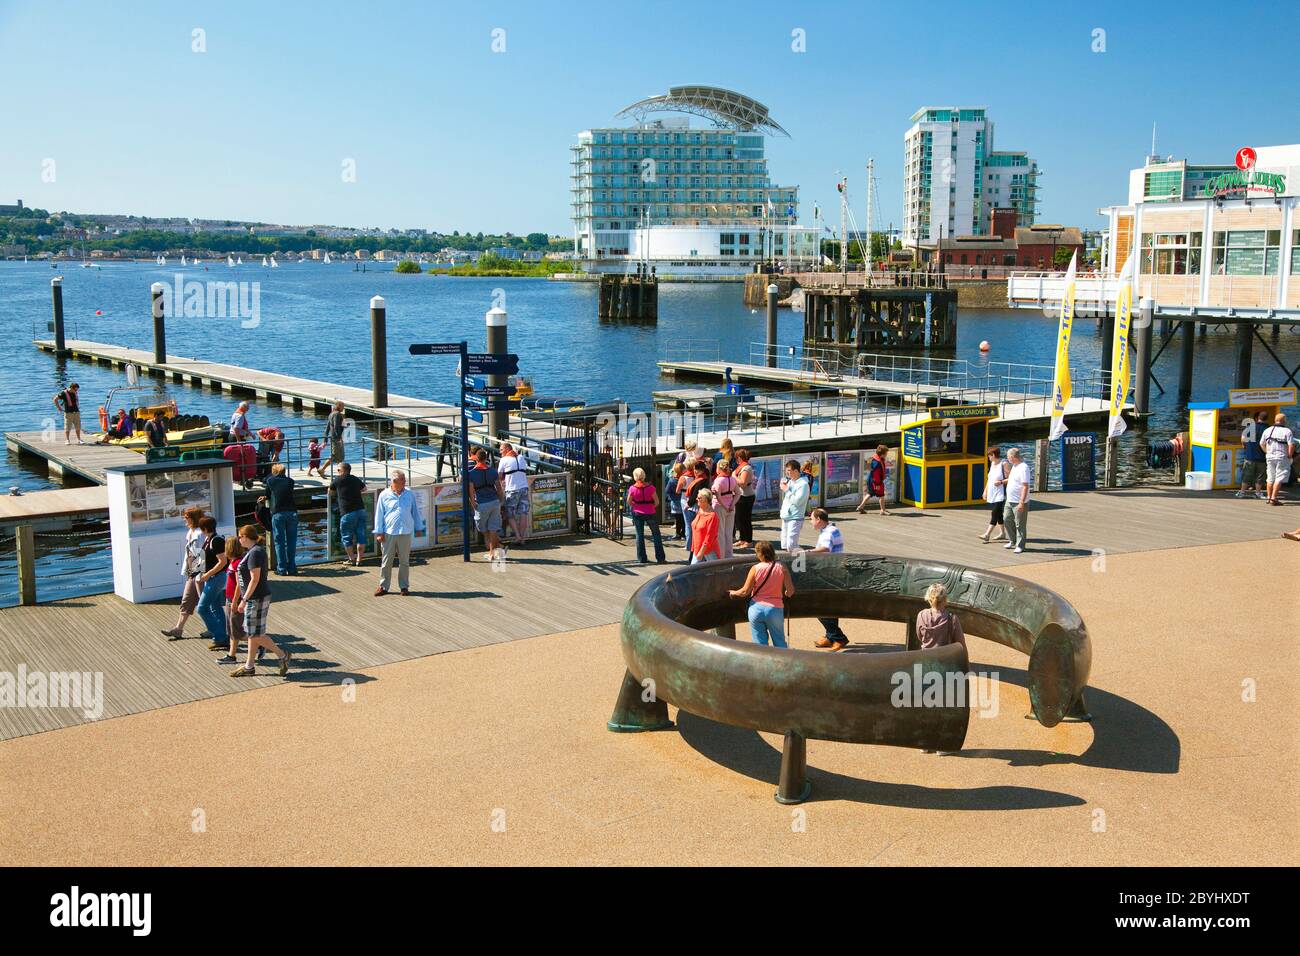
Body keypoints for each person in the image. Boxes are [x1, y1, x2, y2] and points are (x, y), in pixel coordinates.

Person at [229, 524, 291, 678]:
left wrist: (244, 599)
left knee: (255, 634)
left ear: (245, 537)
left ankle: (282, 655)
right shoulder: (252, 552)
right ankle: (249, 666)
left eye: (240, 536)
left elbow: (255, 579)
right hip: (254, 598)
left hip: (256, 598)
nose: (238, 539)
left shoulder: (255, 553)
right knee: (252, 633)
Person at [917, 582, 965, 755]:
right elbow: (960, 643)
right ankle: (942, 746)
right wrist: (965, 666)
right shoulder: (951, 618)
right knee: (945, 706)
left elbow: (919, 635)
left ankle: (925, 743)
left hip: (925, 664)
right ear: (945, 600)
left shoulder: (921, 615)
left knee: (927, 705)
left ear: (929, 599)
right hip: (945, 665)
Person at [729, 540, 795, 647]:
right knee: (780, 644)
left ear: (759, 554)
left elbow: (745, 591)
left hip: (756, 609)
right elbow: (791, 591)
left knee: (759, 645)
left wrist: (733, 592)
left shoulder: (755, 568)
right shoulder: (782, 567)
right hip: (775, 610)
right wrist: (786, 593)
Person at [374, 469, 424, 595]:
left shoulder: (409, 494)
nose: (405, 481)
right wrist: (379, 532)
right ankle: (383, 586)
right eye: (402, 479)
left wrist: (419, 528)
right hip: (389, 532)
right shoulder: (384, 495)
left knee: (404, 561)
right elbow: (379, 515)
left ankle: (404, 586)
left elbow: (415, 512)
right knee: (386, 561)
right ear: (395, 481)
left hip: (405, 531)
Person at [160, 507, 206, 639]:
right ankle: (178, 629)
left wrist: (196, 573)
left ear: (193, 518)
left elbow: (200, 555)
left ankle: (216, 629)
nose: (184, 519)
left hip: (198, 573)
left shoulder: (198, 534)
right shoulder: (191, 532)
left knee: (204, 602)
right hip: (192, 572)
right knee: (188, 600)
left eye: (186, 517)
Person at [808, 508, 848, 651]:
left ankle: (838, 638)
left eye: (812, 519)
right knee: (828, 607)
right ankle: (830, 636)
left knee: (820, 606)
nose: (811, 522)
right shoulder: (828, 530)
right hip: (831, 572)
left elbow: (825, 548)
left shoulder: (829, 532)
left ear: (819, 519)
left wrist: (807, 552)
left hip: (830, 574)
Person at [194, 516, 228, 647]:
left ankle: (219, 635)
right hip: (213, 578)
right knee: (216, 607)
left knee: (202, 608)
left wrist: (207, 574)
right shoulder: (209, 539)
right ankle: (222, 633)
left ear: (205, 528)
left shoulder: (216, 540)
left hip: (216, 578)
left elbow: (223, 561)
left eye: (201, 528)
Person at [466, 448, 505, 558]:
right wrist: (501, 500)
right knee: (493, 528)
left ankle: (491, 549)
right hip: (494, 501)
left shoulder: (472, 473)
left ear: (476, 459)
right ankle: (493, 552)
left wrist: (473, 503)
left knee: (482, 527)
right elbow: (499, 488)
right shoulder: (493, 471)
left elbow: (471, 490)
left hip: (482, 503)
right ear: (486, 458)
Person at [214, 536, 247, 663]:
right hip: (229, 597)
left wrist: (234, 601)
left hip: (235, 599)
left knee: (236, 630)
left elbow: (239, 584)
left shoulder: (237, 563)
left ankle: (259, 642)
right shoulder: (233, 562)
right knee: (232, 629)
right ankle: (232, 655)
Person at [330, 461, 368, 566]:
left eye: (338, 470)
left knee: (347, 537)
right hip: (360, 510)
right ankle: (359, 560)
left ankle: (351, 559)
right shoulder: (355, 478)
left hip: (347, 512)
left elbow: (330, 492)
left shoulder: (337, 480)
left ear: (342, 470)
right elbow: (364, 489)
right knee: (361, 535)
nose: (337, 472)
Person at [264, 462, 298, 575]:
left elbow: (268, 494)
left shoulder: (270, 481)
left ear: (274, 472)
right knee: (291, 541)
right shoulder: (290, 481)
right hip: (292, 512)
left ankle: (282, 568)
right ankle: (292, 567)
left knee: (279, 542)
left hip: (278, 513)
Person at [626, 467, 666, 565]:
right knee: (656, 535)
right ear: (644, 476)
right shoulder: (651, 488)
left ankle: (642, 558)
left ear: (635, 477)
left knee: (639, 535)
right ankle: (660, 558)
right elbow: (657, 502)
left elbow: (629, 501)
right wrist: (650, 506)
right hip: (650, 513)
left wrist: (635, 505)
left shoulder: (632, 488)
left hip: (637, 512)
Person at [498, 442, 531, 547]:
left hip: (512, 490)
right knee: (523, 513)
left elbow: (499, 475)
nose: (500, 452)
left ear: (507, 449)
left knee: (510, 514)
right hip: (524, 488)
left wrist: (503, 480)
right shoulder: (521, 457)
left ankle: (517, 536)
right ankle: (522, 538)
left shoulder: (503, 460)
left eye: (501, 450)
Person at [1260, 413, 1294, 506]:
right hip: (1282, 457)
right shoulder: (1287, 431)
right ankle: (1274, 498)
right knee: (1279, 477)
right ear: (1284, 421)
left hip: (1270, 457)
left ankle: (1268, 497)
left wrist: (1267, 452)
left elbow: (1261, 443)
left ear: (1275, 420)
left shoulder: (1268, 430)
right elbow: (1291, 445)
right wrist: (1290, 456)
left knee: (1270, 477)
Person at [1003, 447, 1031, 554]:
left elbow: (1025, 486)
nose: (1007, 459)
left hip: (1019, 501)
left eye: (1008, 457)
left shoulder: (1024, 468)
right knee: (1006, 519)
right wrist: (1001, 482)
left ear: (1013, 457)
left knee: (1020, 524)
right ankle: (1013, 540)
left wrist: (1021, 502)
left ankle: (1020, 545)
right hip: (1009, 499)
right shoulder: (1014, 466)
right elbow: (1011, 480)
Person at [779, 459, 811, 551]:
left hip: (795, 517)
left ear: (796, 471)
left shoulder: (803, 484)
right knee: (784, 545)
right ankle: (788, 562)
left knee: (791, 545)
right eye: (786, 470)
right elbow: (788, 499)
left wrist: (786, 490)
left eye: (789, 470)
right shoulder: (790, 482)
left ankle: (803, 557)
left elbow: (797, 501)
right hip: (786, 516)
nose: (787, 473)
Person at [711, 459, 740, 558]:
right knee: (728, 532)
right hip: (731, 507)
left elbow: (717, 495)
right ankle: (729, 555)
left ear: (719, 468)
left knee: (720, 533)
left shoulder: (718, 480)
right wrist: (732, 504)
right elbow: (738, 493)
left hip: (720, 507)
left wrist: (724, 506)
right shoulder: (732, 479)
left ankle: (721, 556)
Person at [682, 460, 711, 557]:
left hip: (693, 508)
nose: (695, 472)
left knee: (691, 529)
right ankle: (692, 547)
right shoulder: (704, 478)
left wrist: (688, 504)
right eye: (695, 469)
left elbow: (695, 495)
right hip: (697, 507)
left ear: (702, 470)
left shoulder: (701, 481)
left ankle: (691, 548)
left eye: (697, 470)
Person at [980, 446, 1009, 542]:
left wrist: (1001, 482)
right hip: (993, 492)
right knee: (999, 513)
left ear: (993, 455)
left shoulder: (1004, 464)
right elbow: (990, 479)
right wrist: (985, 491)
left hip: (1001, 493)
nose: (988, 457)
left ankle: (987, 534)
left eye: (989, 455)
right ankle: (1002, 533)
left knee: (994, 512)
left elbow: (1011, 479)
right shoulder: (992, 463)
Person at [1238, 413, 1268, 500]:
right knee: (1260, 476)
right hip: (1262, 456)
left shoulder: (1250, 427)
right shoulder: (1268, 428)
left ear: (1258, 418)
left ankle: (1242, 492)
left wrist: (1245, 446)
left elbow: (1243, 439)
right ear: (1267, 419)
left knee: (1247, 475)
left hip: (1250, 456)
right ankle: (1258, 493)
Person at [857, 444, 891, 515]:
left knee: (870, 493)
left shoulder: (876, 459)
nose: (886, 455)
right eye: (886, 454)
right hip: (876, 481)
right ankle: (883, 510)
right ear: (882, 454)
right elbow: (876, 475)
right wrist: (878, 484)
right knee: (881, 495)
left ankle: (861, 506)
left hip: (871, 480)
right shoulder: (877, 463)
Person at [732, 449, 756, 549]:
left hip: (746, 496)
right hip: (740, 496)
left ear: (740, 458)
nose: (736, 460)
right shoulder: (741, 467)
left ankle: (748, 541)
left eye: (736, 458)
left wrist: (733, 476)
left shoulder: (746, 468)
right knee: (739, 519)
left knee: (745, 519)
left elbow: (743, 483)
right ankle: (742, 539)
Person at [690, 488, 720, 564]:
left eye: (699, 498)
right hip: (698, 548)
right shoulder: (700, 511)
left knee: (716, 571)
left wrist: (701, 552)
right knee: (694, 572)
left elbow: (709, 537)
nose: (696, 499)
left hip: (709, 549)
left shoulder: (712, 516)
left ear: (705, 500)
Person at [324, 400, 347, 476]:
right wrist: (340, 437)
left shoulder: (331, 414)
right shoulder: (337, 414)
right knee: (338, 456)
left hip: (333, 437)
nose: (343, 408)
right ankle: (322, 469)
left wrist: (325, 438)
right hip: (337, 438)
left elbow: (328, 427)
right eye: (343, 406)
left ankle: (340, 472)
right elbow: (336, 427)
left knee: (337, 456)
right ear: (339, 406)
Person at [667, 462, 686, 540]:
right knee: (684, 518)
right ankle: (683, 533)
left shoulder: (672, 481)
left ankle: (677, 533)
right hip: (684, 500)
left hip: (675, 501)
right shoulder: (685, 479)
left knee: (677, 519)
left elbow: (667, 490)